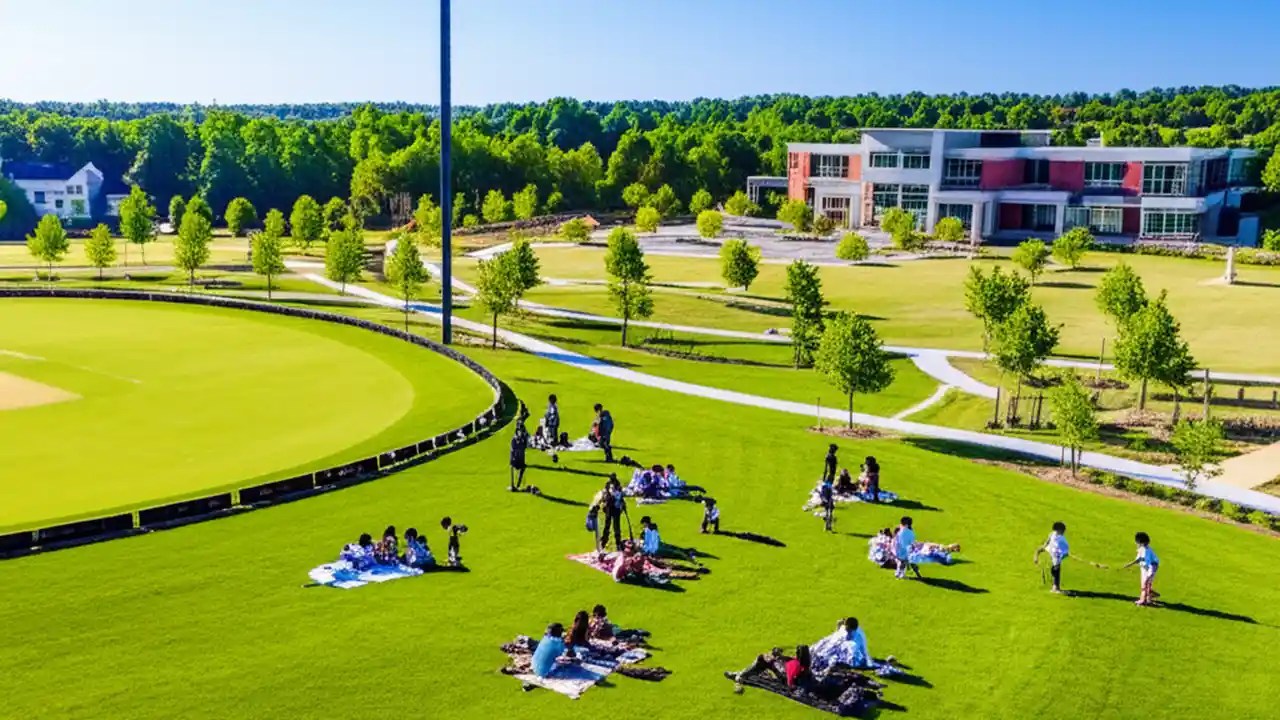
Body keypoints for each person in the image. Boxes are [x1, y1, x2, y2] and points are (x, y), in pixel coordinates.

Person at [1121, 531, 1160, 606]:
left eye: (1137, 542)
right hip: (1147, 567)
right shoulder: (1142, 549)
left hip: (1151, 567)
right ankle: (1149, 596)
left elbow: (1148, 562)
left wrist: (1148, 573)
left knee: (1145, 583)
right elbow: (1139, 559)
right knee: (1145, 583)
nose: (1136, 543)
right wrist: (1130, 564)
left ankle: (1143, 600)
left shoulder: (1146, 550)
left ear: (1140, 542)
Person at [1033, 521, 1070, 594]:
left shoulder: (1053, 534)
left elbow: (1048, 542)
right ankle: (1055, 588)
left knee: (1056, 570)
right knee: (1056, 570)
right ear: (1059, 530)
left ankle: (1056, 587)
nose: (1064, 532)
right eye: (1063, 530)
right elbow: (1055, 545)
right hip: (1053, 554)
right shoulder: (1059, 537)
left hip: (1053, 553)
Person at [599, 475, 626, 551]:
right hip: (612, 508)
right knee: (613, 526)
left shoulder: (612, 485)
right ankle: (608, 542)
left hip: (612, 508)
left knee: (612, 526)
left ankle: (611, 542)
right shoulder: (614, 485)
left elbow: (615, 496)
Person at [509, 425, 529, 492]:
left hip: (521, 457)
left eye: (521, 431)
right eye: (519, 432)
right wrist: (513, 458)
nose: (520, 433)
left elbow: (525, 446)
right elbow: (512, 449)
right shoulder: (514, 439)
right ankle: (513, 485)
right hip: (515, 458)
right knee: (514, 471)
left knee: (522, 470)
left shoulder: (523, 439)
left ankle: (518, 485)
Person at [544, 394, 560, 460]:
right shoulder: (552, 406)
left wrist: (547, 419)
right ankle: (553, 452)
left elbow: (551, 415)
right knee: (552, 436)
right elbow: (552, 414)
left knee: (552, 436)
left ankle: (553, 453)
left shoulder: (552, 406)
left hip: (553, 424)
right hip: (553, 423)